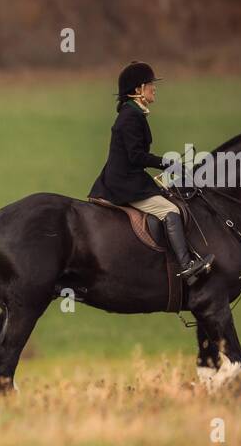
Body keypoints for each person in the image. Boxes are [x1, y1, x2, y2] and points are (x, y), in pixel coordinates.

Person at [90, 62, 214, 284]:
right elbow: (136, 156)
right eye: (150, 85)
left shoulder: (134, 113)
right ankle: (186, 266)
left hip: (128, 178)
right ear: (138, 90)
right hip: (123, 184)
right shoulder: (130, 117)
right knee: (170, 210)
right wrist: (166, 163)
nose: (154, 88)